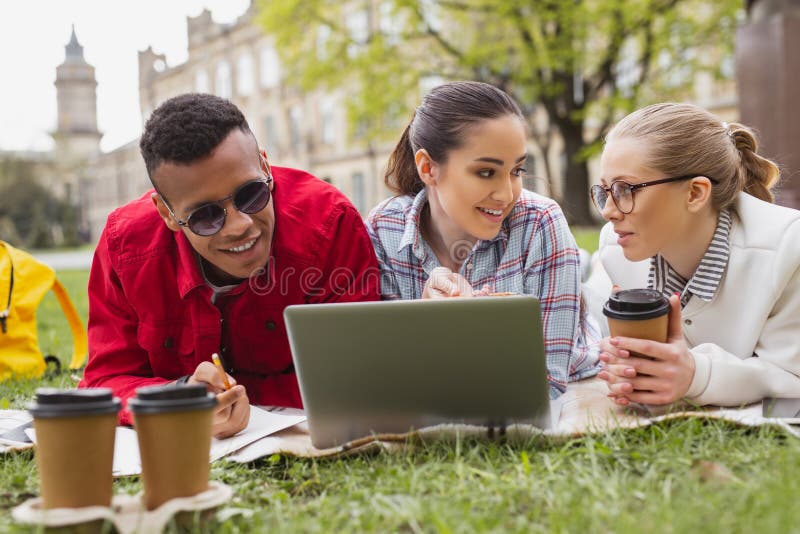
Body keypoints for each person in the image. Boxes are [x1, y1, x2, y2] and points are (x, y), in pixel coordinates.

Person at [80, 94, 380, 437]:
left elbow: (356, 376)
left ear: (265, 167)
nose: (240, 225)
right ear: (167, 213)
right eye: (206, 216)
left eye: (250, 194)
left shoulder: (330, 224)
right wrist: (182, 397)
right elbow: (103, 381)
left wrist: (239, 401)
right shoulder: (126, 246)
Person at [366, 81, 599, 397]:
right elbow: (386, 373)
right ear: (428, 168)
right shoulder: (384, 228)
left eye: (517, 170)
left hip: (579, 366)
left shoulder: (541, 222)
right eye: (486, 172)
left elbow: (547, 384)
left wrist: (481, 333)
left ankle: (589, 272)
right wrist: (423, 322)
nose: (506, 194)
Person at [586, 102, 800, 407]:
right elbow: (592, 334)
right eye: (604, 191)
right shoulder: (614, 249)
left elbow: (793, 384)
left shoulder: (788, 247)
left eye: (625, 189)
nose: (608, 212)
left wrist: (696, 376)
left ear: (695, 193)